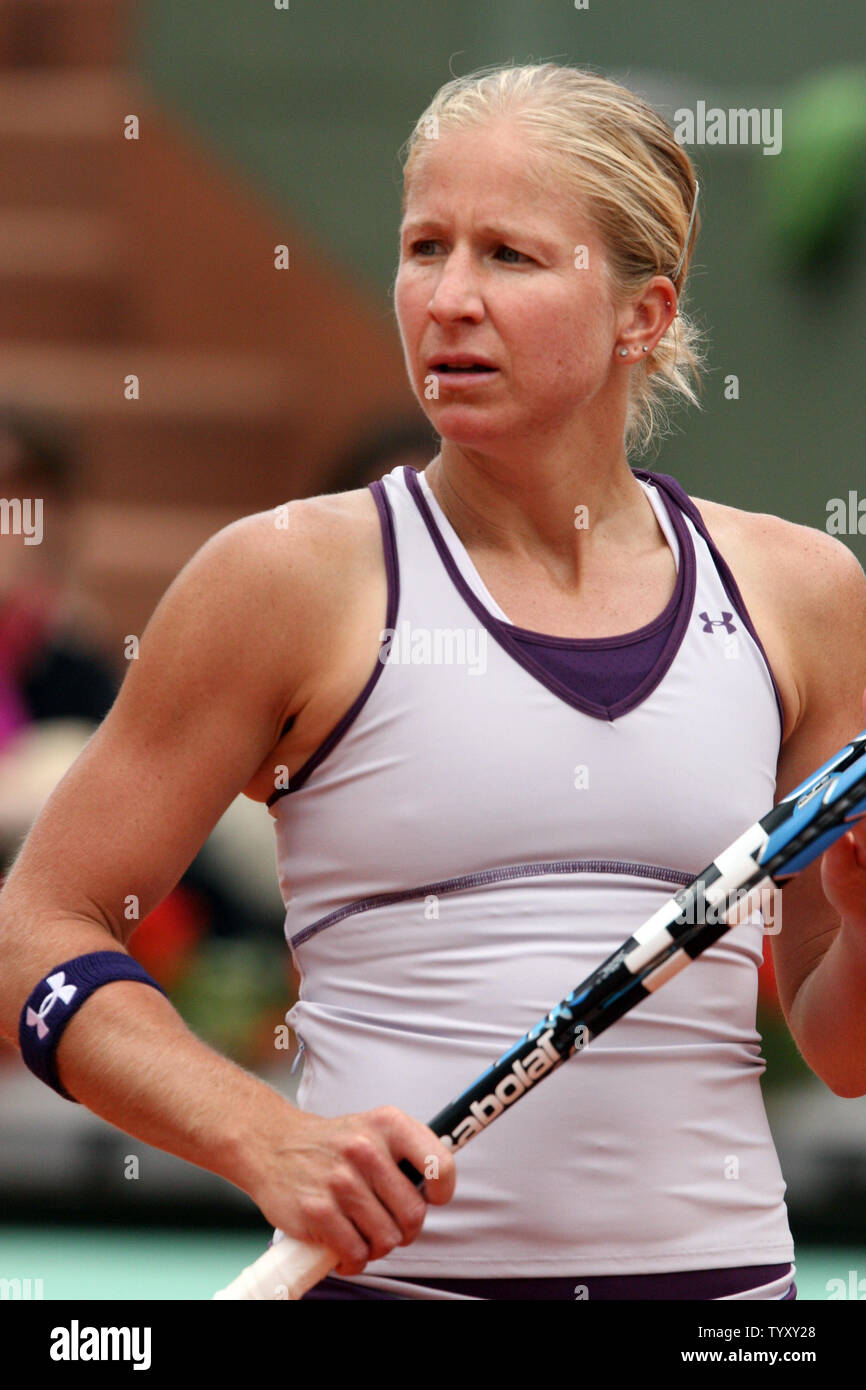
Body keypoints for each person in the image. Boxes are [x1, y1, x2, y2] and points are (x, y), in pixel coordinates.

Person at [1, 62, 866, 1302]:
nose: (447, 299)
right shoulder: (283, 579)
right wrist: (265, 1137)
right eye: (423, 246)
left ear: (644, 314)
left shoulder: (801, 591)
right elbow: (33, 930)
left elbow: (841, 1049)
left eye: (509, 256)